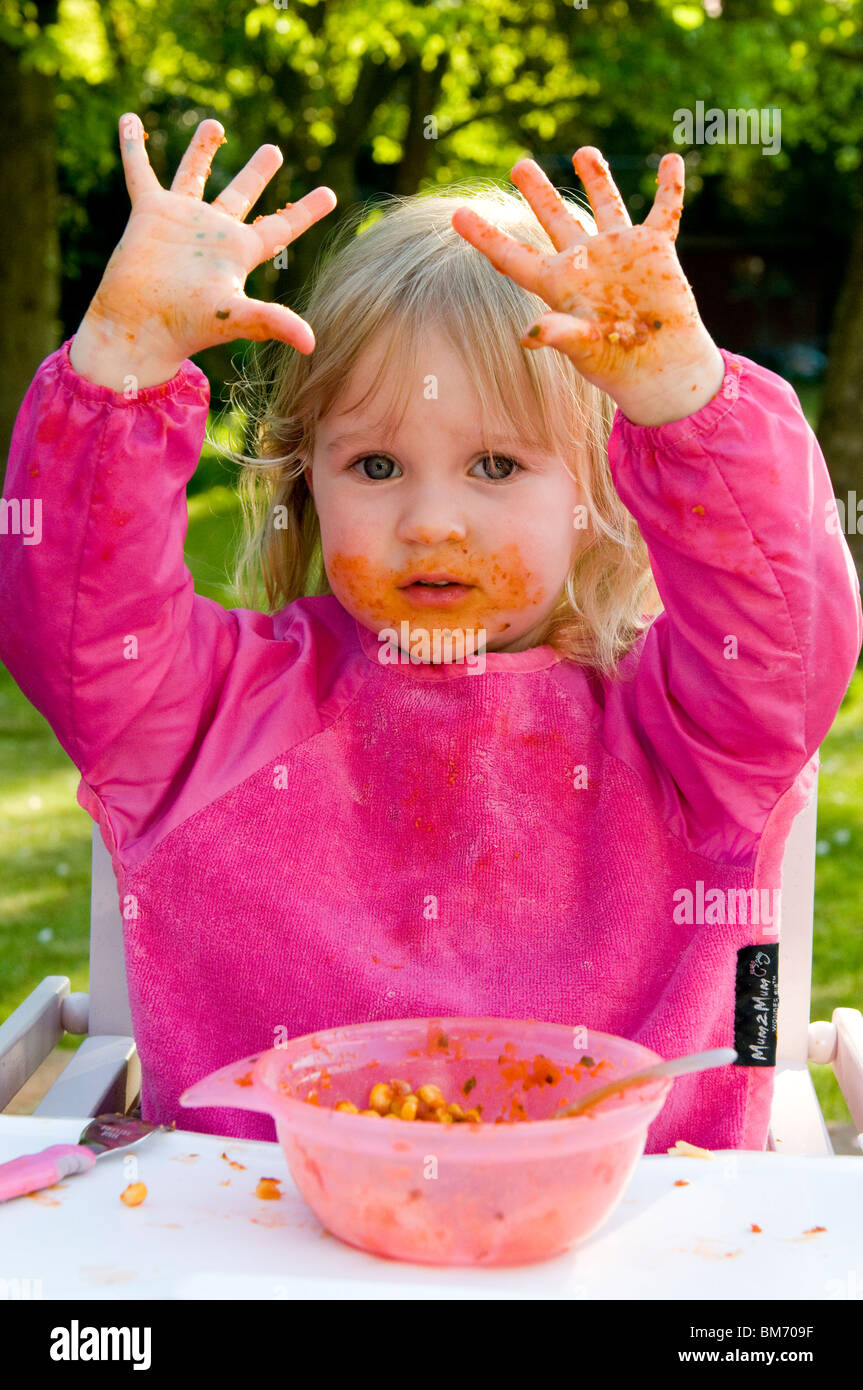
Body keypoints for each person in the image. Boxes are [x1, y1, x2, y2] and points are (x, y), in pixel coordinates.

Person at [1, 114, 860, 1153]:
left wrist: (687, 405)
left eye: (495, 465)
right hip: (251, 1246)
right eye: (374, 466)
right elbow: (85, 628)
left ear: (594, 485)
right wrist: (117, 375)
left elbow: (786, 640)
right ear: (306, 482)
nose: (431, 520)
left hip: (630, 1249)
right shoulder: (209, 715)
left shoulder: (689, 734)